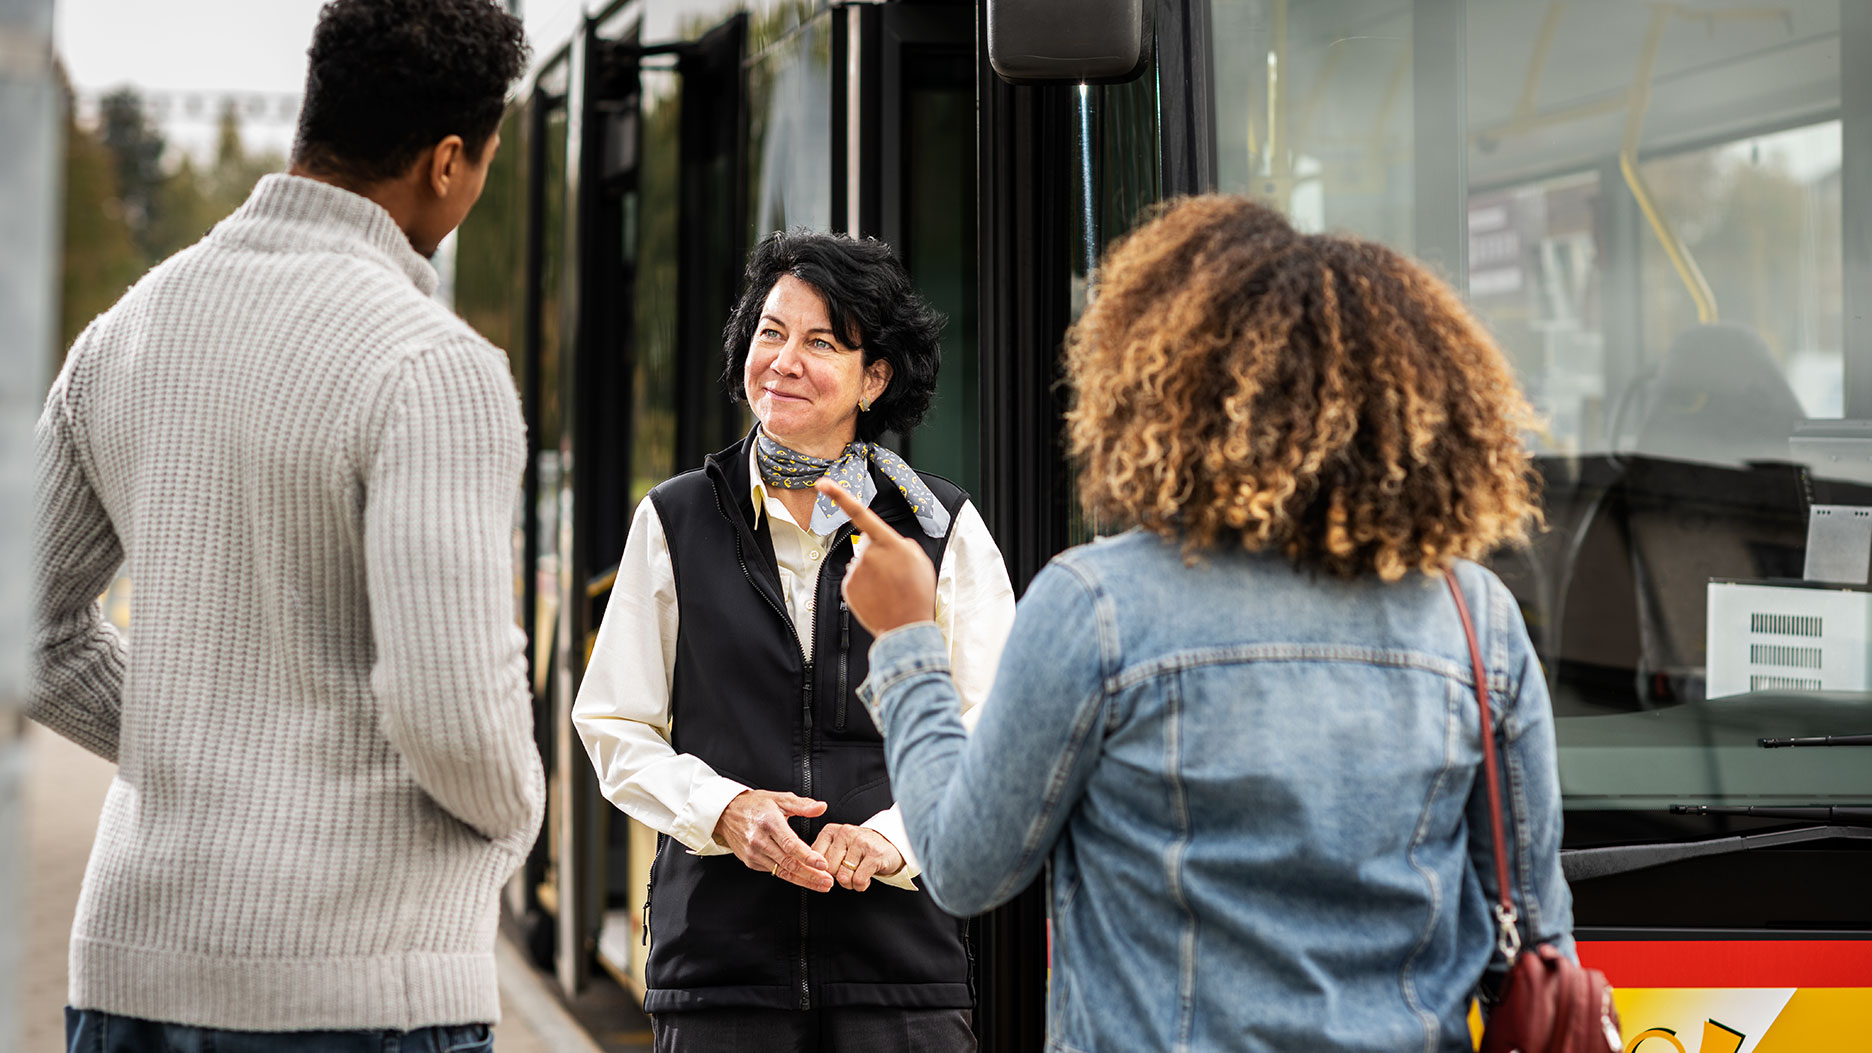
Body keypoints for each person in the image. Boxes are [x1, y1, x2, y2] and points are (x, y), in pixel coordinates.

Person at [826, 194, 1574, 1052]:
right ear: (1414, 408)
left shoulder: (1098, 603)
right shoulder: (1474, 617)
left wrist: (909, 640)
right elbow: (1531, 927)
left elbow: (963, 866)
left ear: (1158, 388)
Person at [30, 2, 540, 1049]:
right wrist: (518, 814)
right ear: (448, 162)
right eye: (484, 162)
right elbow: (454, 713)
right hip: (355, 991)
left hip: (128, 974)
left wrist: (202, 742)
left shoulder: (123, 334)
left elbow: (27, 633)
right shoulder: (434, 368)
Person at [572, 229, 1016, 1052]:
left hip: (902, 982)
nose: (783, 359)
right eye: (770, 332)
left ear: (873, 377)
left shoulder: (941, 529)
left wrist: (888, 839)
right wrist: (725, 810)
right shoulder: (674, 519)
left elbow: (996, 728)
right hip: (718, 980)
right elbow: (612, 724)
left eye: (821, 342)